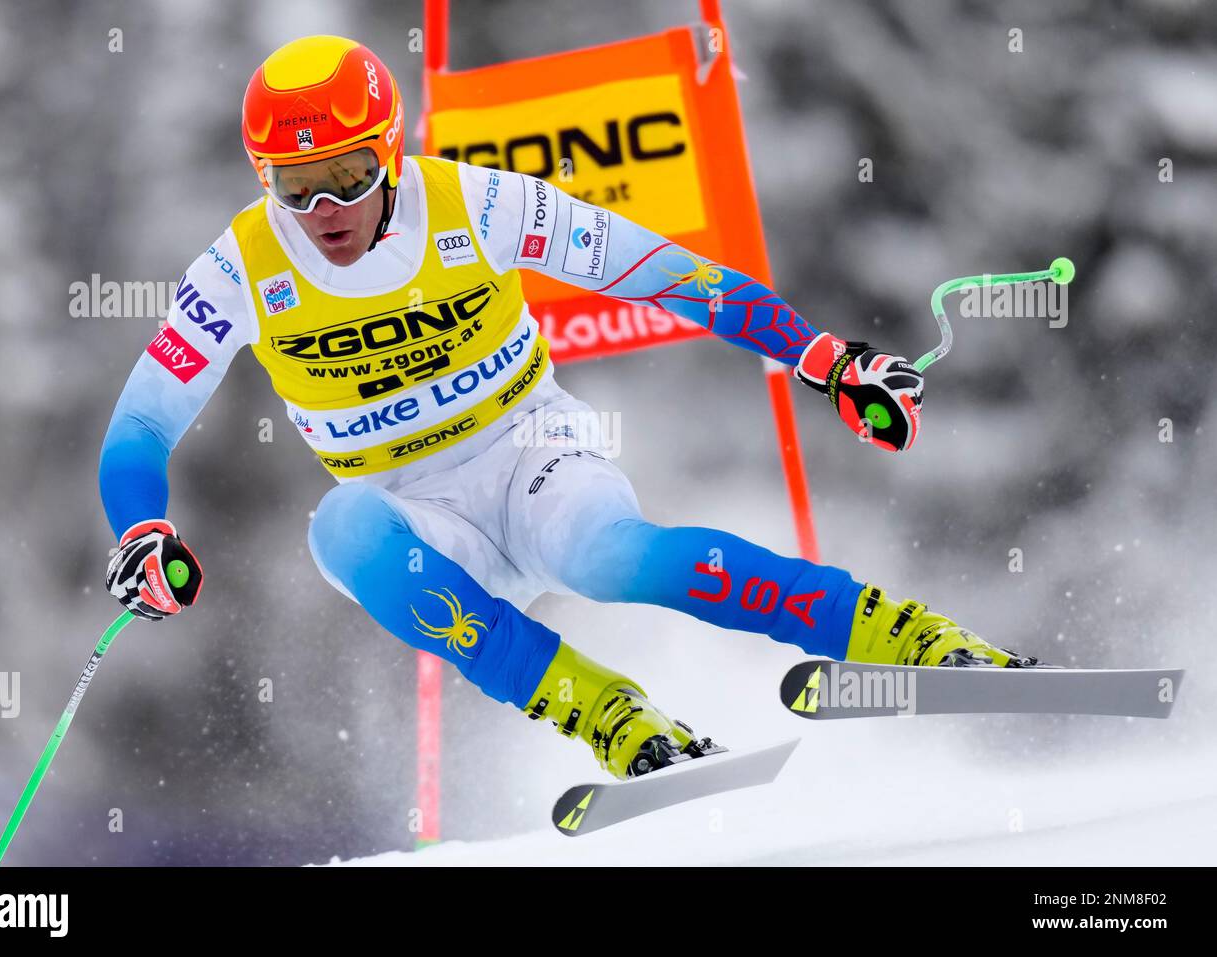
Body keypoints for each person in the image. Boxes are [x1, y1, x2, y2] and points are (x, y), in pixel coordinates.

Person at [100, 35, 1039, 781]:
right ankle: (606, 712)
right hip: (412, 512)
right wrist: (141, 529)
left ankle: (905, 637)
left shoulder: (476, 202)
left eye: (347, 175)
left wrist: (824, 358)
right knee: (338, 531)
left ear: (388, 150)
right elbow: (141, 424)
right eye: (293, 186)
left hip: (529, 453)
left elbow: (670, 274)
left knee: (611, 558)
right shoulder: (239, 267)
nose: (325, 210)